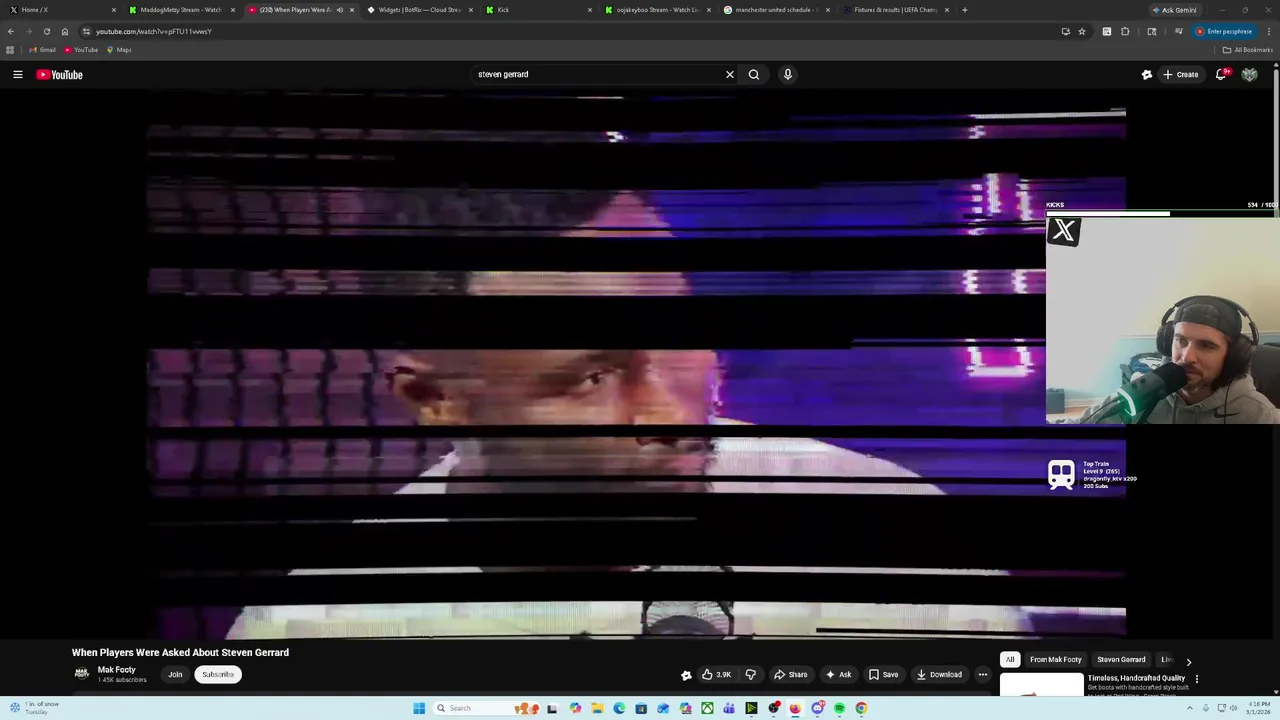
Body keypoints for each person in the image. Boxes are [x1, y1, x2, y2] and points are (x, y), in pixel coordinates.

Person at [226, 190, 1038, 639]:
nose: (672, 413)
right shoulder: (324, 628)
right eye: (592, 376)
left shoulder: (885, 533)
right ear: (435, 398)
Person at [1068, 295, 1278, 424]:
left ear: (1232, 355)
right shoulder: (1142, 393)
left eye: (1206, 345)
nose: (1187, 356)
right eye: (1181, 341)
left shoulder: (1258, 415)